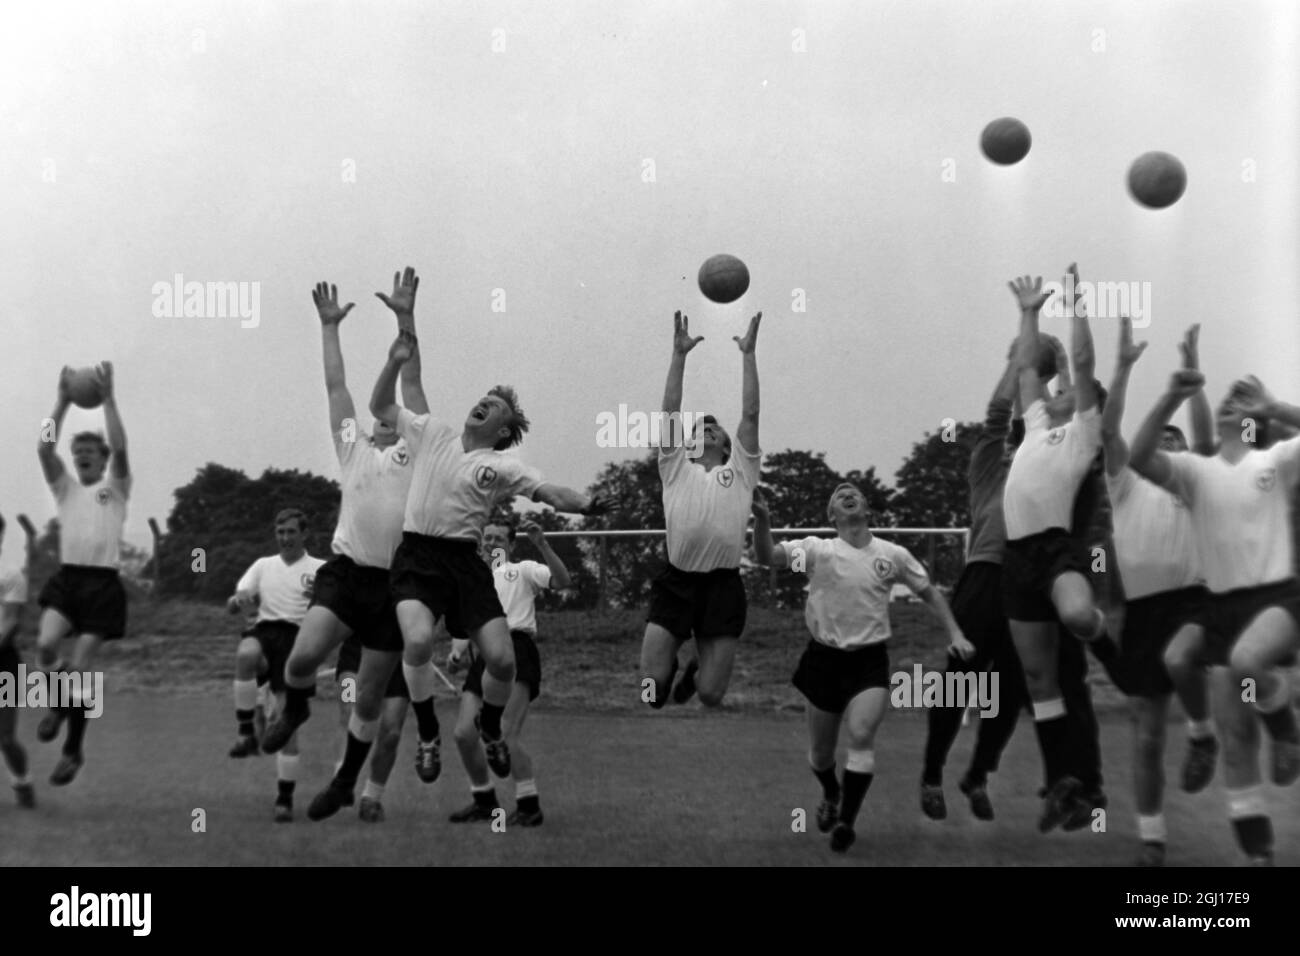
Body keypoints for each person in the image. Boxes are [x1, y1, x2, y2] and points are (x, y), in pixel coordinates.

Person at [369, 328, 602, 788]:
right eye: (486, 399)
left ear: (501, 432)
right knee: (416, 643)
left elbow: (549, 491)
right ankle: (429, 732)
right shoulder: (431, 433)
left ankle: (491, 728)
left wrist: (586, 504)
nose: (486, 403)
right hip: (418, 556)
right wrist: (398, 350)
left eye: (496, 407)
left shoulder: (501, 467)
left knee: (502, 660)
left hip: (463, 564)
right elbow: (384, 403)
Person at [257, 272, 430, 826]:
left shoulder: (417, 452)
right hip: (347, 573)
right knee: (304, 657)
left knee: (370, 703)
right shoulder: (353, 448)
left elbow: (411, 383)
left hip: (394, 589)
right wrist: (328, 327)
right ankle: (296, 708)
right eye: (376, 417)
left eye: (391, 417)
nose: (383, 419)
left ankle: (345, 784)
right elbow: (336, 388)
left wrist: (406, 318)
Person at [1128, 367, 1300, 865]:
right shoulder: (1195, 471)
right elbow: (1137, 458)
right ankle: (1259, 855)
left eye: (1241, 402)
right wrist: (1170, 396)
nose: (1231, 404)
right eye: (1228, 399)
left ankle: (1286, 725)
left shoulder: (1275, 460)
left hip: (1275, 601)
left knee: (1249, 662)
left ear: (1254, 423)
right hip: (1221, 611)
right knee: (1238, 739)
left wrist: (1272, 406)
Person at [753, 483, 973, 853]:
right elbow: (766, 556)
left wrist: (956, 633)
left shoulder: (893, 555)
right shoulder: (815, 552)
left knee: (860, 735)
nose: (847, 493)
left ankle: (846, 823)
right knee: (821, 755)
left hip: (868, 664)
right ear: (831, 515)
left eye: (854, 492)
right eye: (839, 494)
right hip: (823, 661)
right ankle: (831, 792)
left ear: (867, 508)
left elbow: (929, 592)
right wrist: (764, 520)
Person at [1097, 319, 1215, 866]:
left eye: (1176, 440)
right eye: (1160, 437)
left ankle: (1202, 733)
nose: (1168, 441)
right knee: (1145, 736)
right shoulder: (1123, 483)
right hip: (1143, 612)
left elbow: (1207, 442)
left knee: (1182, 655)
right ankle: (1151, 838)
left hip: (1194, 601)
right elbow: (1109, 430)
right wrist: (1122, 368)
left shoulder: (1194, 482)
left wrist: (1193, 380)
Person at [1001, 266, 1113, 832]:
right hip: (1016, 559)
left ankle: (1103, 635)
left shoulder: (1083, 431)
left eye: (1071, 386)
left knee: (1074, 612)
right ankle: (1065, 782)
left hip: (1055, 550)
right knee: (1040, 681)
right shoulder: (1039, 422)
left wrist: (1075, 304)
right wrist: (1028, 311)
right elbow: (1026, 370)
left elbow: (1085, 365)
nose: (1060, 386)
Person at [640, 311, 763, 709]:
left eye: (714, 428)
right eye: (698, 429)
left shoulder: (741, 472)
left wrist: (747, 354)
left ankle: (696, 669)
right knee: (650, 694)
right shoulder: (676, 468)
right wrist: (679, 356)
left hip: (722, 587)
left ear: (727, 445)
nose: (705, 429)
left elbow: (750, 415)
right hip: (677, 583)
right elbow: (670, 414)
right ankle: (670, 663)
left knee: (710, 696)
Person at [34, 363, 131, 786]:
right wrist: (61, 401)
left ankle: (73, 751)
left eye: (91, 451)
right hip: (68, 580)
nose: (83, 455)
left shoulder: (115, 489)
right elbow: (43, 449)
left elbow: (122, 448)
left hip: (102, 587)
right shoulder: (65, 489)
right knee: (45, 645)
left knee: (78, 670)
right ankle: (57, 704)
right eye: (79, 452)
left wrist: (109, 399)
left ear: (103, 458)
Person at [448, 520, 571, 827]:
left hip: (516, 649)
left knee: (504, 731)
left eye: (499, 538)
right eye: (487, 537)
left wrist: (542, 544)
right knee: (464, 733)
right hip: (485, 654)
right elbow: (469, 626)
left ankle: (529, 806)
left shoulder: (523, 570)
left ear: (511, 545)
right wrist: (457, 651)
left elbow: (563, 580)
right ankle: (485, 803)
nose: (491, 543)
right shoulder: (474, 579)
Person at [227, 509, 326, 821]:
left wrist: (320, 599)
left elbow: (333, 613)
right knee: (245, 654)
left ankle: (284, 801)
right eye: (280, 532)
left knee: (287, 727)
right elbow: (237, 599)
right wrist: (237, 601)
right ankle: (246, 732)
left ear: (304, 534)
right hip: (266, 632)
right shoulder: (263, 565)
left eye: (291, 532)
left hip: (298, 642)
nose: (285, 538)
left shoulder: (320, 570)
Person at [0, 514, 37, 806]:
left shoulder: (11, 575)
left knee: (6, 738)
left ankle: (22, 783)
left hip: (5, 662)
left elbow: (11, 621)